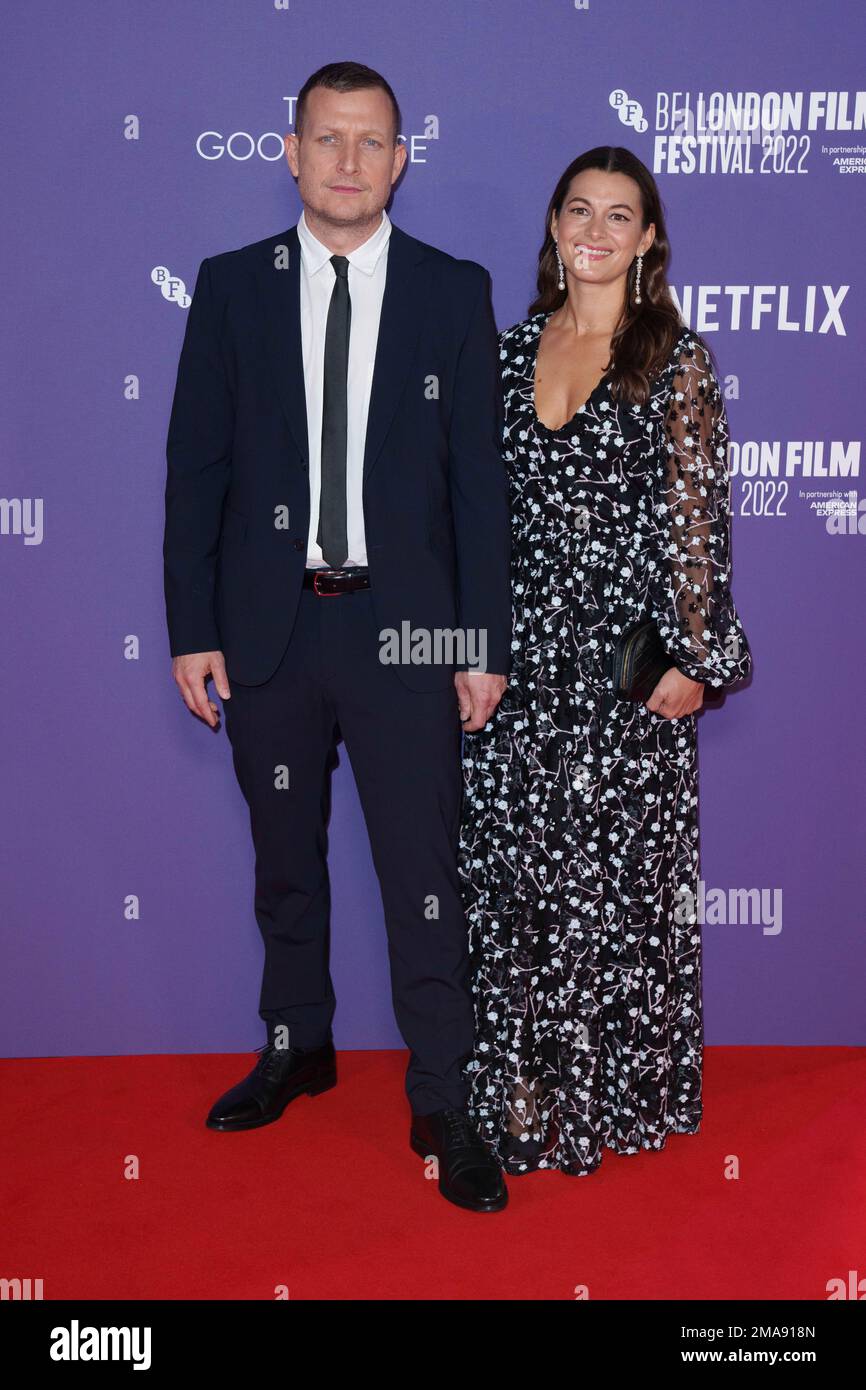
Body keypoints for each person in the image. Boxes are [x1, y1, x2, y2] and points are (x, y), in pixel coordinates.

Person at [163, 62, 512, 1213]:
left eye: (371, 142)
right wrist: (192, 625)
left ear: (400, 159)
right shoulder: (228, 288)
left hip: (408, 633)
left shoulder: (451, 290)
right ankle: (294, 1042)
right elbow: (195, 470)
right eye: (328, 139)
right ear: (291, 151)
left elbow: (478, 490)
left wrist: (479, 639)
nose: (349, 162)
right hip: (267, 630)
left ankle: (444, 1094)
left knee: (422, 871)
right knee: (284, 863)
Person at [457, 146, 752, 1177]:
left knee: (606, 884)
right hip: (513, 669)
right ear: (550, 226)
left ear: (647, 239)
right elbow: (467, 517)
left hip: (622, 672)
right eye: (576, 209)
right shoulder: (502, 353)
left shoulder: (674, 356)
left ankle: (612, 1094)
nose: (593, 229)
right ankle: (521, 1089)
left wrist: (696, 656)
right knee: (514, 882)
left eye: (617, 215)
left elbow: (695, 520)